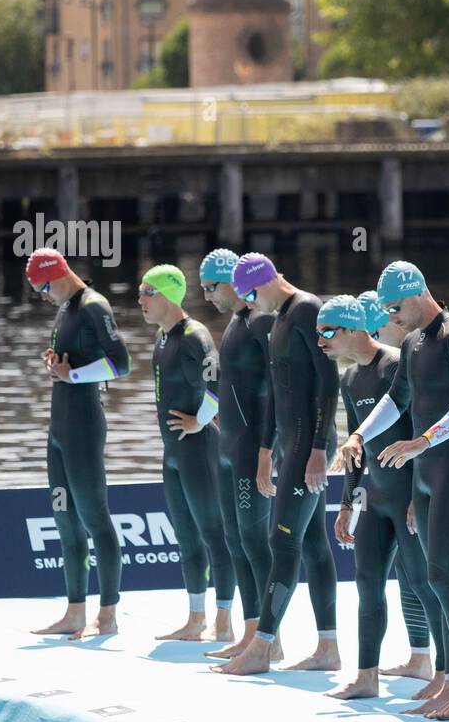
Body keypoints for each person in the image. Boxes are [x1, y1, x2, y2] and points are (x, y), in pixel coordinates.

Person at [339, 261, 449, 720]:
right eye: (386, 307)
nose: (390, 315)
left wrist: (424, 440)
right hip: (423, 471)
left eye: (395, 306)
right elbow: (396, 400)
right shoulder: (411, 343)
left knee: (446, 572)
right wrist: (360, 434)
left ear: (418, 292)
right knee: (435, 574)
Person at [212, 254, 340, 676]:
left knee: (282, 541)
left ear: (262, 283)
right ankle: (327, 647)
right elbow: (278, 395)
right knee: (314, 543)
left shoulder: (306, 309)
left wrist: (319, 447)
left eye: (249, 294)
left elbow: (328, 380)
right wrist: (267, 449)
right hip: (290, 444)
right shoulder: (280, 318)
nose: (249, 303)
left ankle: (264, 645)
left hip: (308, 445)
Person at [316, 294, 442, 699]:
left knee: (425, 583)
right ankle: (366, 676)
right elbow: (358, 448)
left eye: (328, 332)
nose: (321, 340)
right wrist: (348, 502)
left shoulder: (397, 366)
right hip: (378, 497)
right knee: (368, 583)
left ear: (353, 329)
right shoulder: (350, 379)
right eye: (318, 333)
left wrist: (418, 496)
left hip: (408, 494)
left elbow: (425, 434)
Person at [26, 248, 131, 639]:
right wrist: (57, 366)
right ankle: (74, 612)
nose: (41, 296)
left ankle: (108, 614)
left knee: (94, 518)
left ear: (55, 276)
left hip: (84, 424)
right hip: (58, 430)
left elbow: (122, 363)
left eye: (41, 288)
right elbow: (73, 365)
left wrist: (75, 376)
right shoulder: (65, 308)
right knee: (64, 518)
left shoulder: (93, 305)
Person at [195, 249, 288, 661]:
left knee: (254, 540)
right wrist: (218, 418)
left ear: (234, 283)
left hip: (253, 448)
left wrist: (268, 450)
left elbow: (275, 392)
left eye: (210, 286)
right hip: (231, 445)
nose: (207, 295)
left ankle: (271, 639)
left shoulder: (262, 321)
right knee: (236, 539)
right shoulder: (236, 321)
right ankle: (252, 631)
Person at [138, 264, 236, 641]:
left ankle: (224, 620)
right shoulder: (162, 339)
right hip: (173, 454)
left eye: (148, 292)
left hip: (199, 449)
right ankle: (196, 619)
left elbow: (219, 384)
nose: (140, 300)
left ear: (168, 295)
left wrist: (201, 421)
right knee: (186, 536)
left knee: (214, 534)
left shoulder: (196, 336)